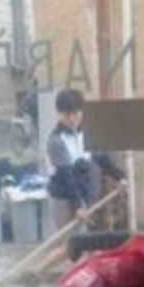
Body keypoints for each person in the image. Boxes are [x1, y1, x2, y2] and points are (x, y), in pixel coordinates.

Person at [46, 88, 126, 230]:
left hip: (84, 196)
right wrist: (77, 206)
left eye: (75, 113)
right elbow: (66, 176)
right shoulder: (56, 140)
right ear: (59, 114)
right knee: (69, 245)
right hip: (64, 199)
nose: (72, 119)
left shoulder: (88, 133)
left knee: (81, 244)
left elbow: (102, 159)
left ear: (81, 112)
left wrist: (120, 178)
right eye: (67, 114)